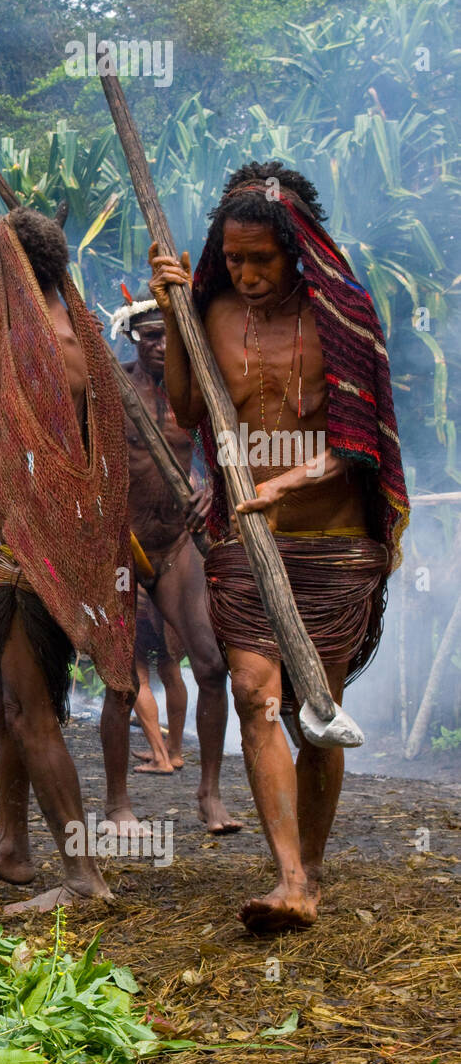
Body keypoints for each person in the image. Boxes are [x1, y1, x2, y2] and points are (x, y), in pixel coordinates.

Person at [148, 162, 409, 931]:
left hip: (330, 540)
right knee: (252, 694)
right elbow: (189, 405)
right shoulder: (213, 314)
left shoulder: (346, 315)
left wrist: (285, 484)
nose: (246, 273)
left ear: (296, 251)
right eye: (232, 259)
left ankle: (314, 866)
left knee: (315, 712)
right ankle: (288, 879)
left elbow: (361, 441)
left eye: (260, 258)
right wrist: (176, 315)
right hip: (245, 538)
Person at [0, 208, 135, 913]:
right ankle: (10, 848)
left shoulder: (44, 351)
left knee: (26, 707)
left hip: (45, 551)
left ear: (14, 276)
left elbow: (21, 469)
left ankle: (82, 875)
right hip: (38, 546)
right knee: (0, 704)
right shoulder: (51, 341)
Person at [104, 291, 239, 831]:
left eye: (172, 334)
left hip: (175, 544)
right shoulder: (109, 386)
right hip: (120, 544)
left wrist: (214, 484)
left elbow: (228, 448)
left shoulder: (195, 392)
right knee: (121, 677)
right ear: (132, 338)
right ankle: (117, 804)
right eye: (152, 335)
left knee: (210, 663)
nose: (162, 345)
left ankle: (209, 793)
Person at [130, 587, 186, 774]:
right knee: (170, 670)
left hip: (140, 604)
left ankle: (160, 757)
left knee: (137, 676)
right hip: (168, 603)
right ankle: (174, 751)